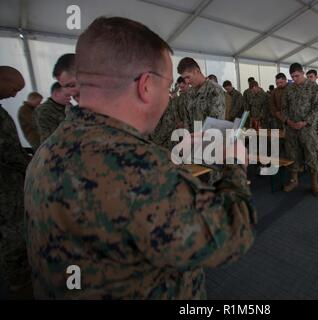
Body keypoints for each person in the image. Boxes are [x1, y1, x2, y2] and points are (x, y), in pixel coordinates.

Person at [24, 16, 255, 300]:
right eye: (168, 85)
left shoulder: (48, 150)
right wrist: (235, 165)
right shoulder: (141, 169)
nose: (170, 97)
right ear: (146, 85)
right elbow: (231, 237)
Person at [0, 66, 32, 299]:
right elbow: (8, 152)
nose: (15, 94)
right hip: (6, 191)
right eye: (14, 87)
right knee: (14, 240)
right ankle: (17, 286)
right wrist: (32, 165)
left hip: (11, 187)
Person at [282, 63, 318, 196]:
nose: (294, 79)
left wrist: (305, 122)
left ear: (303, 73)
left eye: (297, 76)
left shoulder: (313, 87)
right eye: (292, 77)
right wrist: (288, 121)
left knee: (311, 155)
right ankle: (294, 180)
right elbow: (284, 108)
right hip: (291, 129)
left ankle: (314, 183)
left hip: (307, 129)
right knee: (292, 155)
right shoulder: (289, 89)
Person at [177, 58, 225, 132]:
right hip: (193, 141)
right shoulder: (189, 93)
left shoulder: (214, 90)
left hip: (210, 140)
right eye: (184, 78)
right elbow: (187, 120)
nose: (186, 81)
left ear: (197, 71)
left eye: (188, 77)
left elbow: (216, 123)